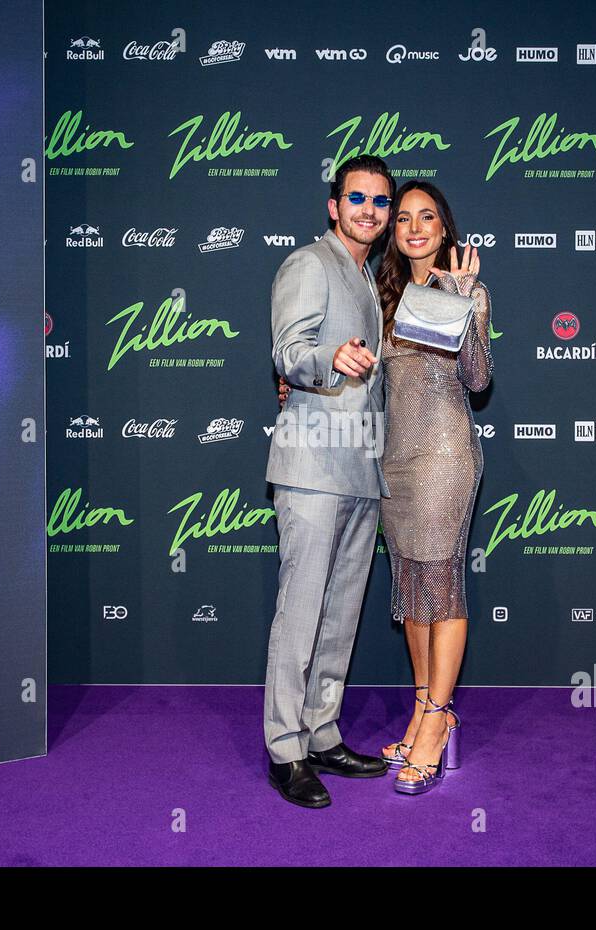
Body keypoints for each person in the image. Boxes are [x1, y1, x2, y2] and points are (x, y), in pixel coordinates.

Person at [262, 155, 395, 808]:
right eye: (357, 198)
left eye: (380, 201)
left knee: (340, 618)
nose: (369, 209)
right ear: (333, 205)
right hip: (313, 469)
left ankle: (322, 731)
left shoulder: (369, 279)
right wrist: (325, 360)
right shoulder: (308, 264)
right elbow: (290, 350)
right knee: (302, 614)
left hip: (360, 470)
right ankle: (285, 749)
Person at [374, 180, 492, 794]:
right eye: (402, 219)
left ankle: (439, 722)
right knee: (411, 586)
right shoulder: (384, 294)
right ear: (393, 233)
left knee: (441, 581)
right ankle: (423, 708)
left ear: (444, 228)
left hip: (446, 455)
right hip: (396, 461)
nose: (414, 227)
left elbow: (476, 380)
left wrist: (465, 301)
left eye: (427, 217)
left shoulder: (463, 288)